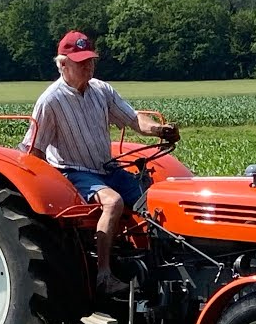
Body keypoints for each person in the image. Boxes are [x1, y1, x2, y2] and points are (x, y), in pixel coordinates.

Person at [20, 30, 179, 294]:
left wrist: (159, 130)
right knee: (113, 201)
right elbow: (33, 150)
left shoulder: (101, 90)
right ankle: (103, 275)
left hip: (107, 168)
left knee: (157, 199)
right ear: (63, 65)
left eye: (91, 61)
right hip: (74, 172)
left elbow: (133, 119)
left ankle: (161, 263)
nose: (88, 67)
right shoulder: (51, 101)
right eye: (81, 62)